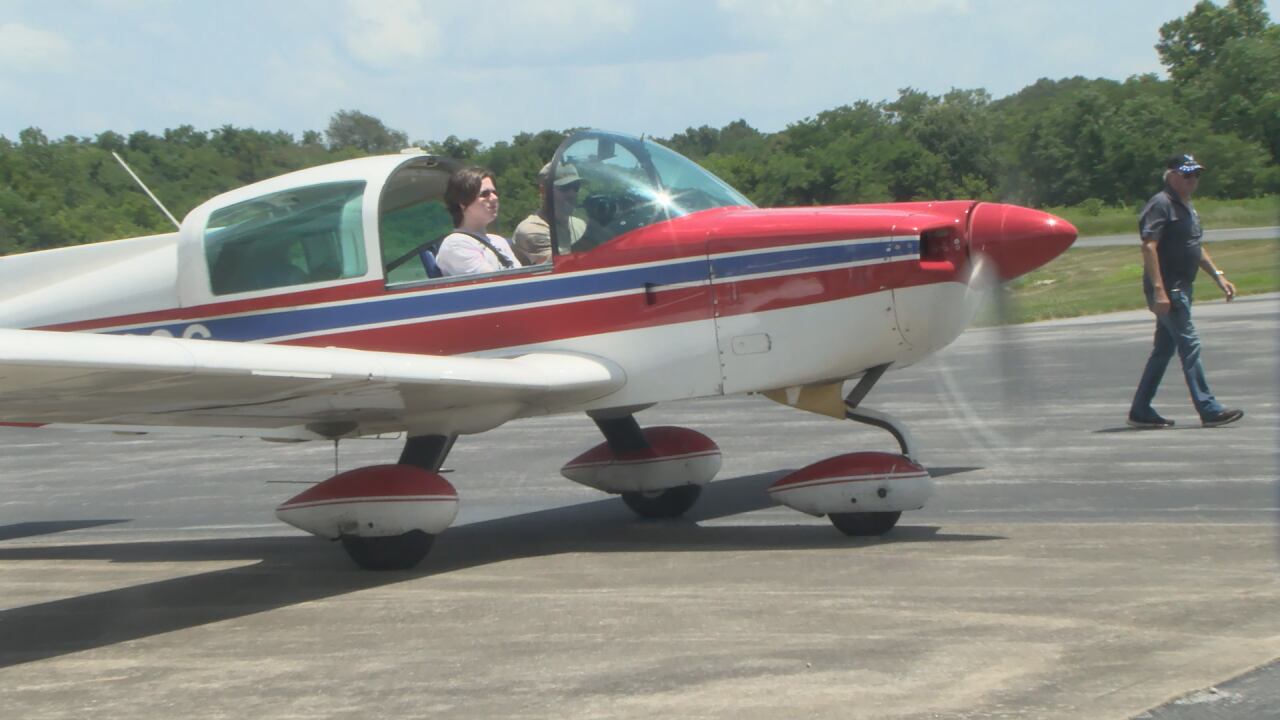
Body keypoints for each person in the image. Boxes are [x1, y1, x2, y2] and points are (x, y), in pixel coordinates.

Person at [1127, 153, 1243, 429]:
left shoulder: (1186, 207)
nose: (1192, 181)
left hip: (1183, 287)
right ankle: (1209, 408)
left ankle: (1140, 409)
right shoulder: (1161, 204)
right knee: (1190, 344)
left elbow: (1195, 246)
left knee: (1163, 350)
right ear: (1171, 176)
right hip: (1169, 289)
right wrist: (1159, 290)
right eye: (1187, 175)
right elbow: (1149, 246)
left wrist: (1218, 276)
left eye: (1196, 175)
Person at [436, 166, 521, 276]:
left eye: (495, 192)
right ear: (462, 202)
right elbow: (493, 285)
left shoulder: (499, 241)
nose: (494, 198)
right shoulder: (456, 244)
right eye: (484, 194)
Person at [511, 161, 587, 265]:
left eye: (576, 187)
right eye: (564, 188)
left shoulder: (580, 225)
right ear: (544, 191)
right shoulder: (531, 230)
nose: (572, 194)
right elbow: (563, 266)